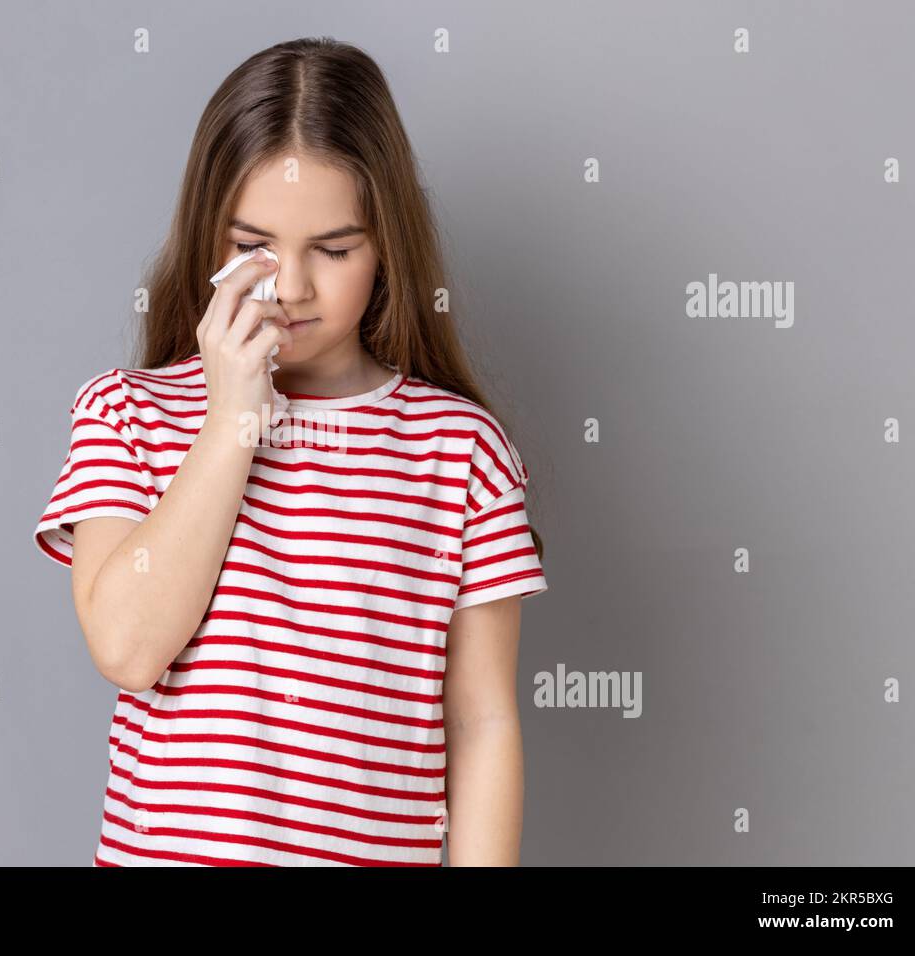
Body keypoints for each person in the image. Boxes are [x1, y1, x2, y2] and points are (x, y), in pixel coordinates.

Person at [32, 37, 548, 866]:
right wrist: (233, 412)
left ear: (386, 250)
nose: (294, 286)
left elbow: (482, 722)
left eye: (336, 249)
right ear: (208, 236)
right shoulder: (127, 416)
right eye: (254, 247)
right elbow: (128, 649)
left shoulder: (460, 452)